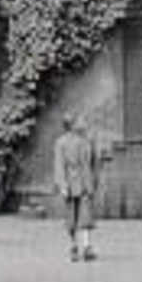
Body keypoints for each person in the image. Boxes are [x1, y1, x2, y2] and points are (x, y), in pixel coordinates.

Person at [53, 112, 98, 262]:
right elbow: (59, 165)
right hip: (71, 184)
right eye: (80, 121)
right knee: (71, 217)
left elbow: (93, 162)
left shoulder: (87, 140)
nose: (83, 123)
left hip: (85, 182)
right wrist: (63, 185)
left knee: (86, 216)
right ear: (71, 125)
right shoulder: (61, 142)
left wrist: (93, 180)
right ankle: (73, 246)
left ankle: (86, 247)